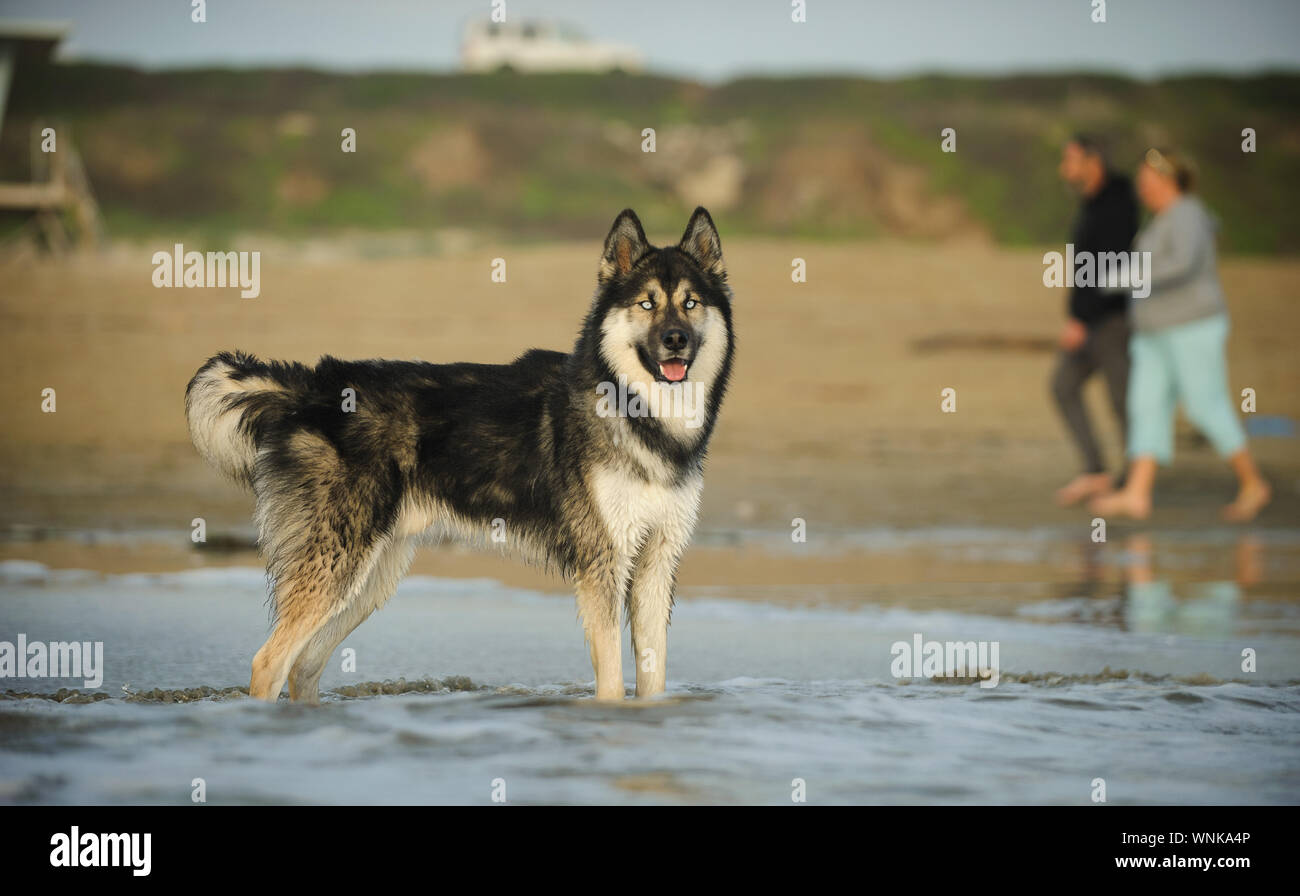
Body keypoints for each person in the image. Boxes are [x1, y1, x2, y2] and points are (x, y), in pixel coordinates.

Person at [1090, 148, 1270, 522]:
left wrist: (1125, 278)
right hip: (1154, 332)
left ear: (1166, 178)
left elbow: (1182, 264)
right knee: (1146, 407)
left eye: (1146, 178)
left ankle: (1253, 482)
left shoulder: (1188, 214)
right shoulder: (1159, 221)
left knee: (1206, 405)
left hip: (1192, 327)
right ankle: (1136, 494)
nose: (1140, 186)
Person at [1051, 135, 1139, 506]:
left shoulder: (1118, 203)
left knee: (1122, 401)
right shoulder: (1090, 202)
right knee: (1063, 385)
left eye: (1070, 160)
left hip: (1113, 319)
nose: (1064, 168)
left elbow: (1113, 269)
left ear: (1093, 162)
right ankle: (1096, 471)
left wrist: (1081, 318)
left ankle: (1136, 483)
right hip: (1089, 319)